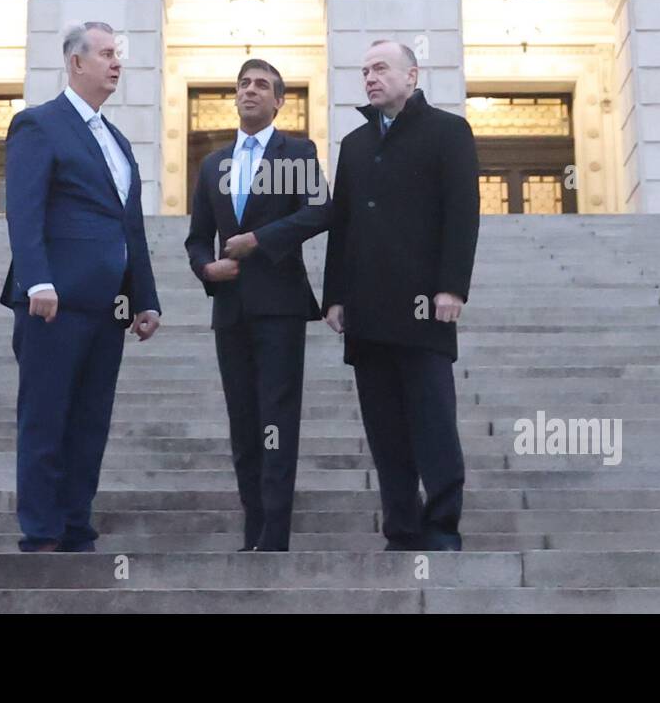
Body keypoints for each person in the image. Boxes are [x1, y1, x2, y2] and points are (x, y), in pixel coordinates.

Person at [0, 20, 161, 553]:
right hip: (53, 303)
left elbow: (128, 223)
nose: (117, 63)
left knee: (90, 423)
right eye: (108, 54)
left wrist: (145, 299)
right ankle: (41, 532)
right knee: (46, 417)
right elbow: (24, 211)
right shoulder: (38, 125)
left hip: (107, 309)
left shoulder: (116, 140)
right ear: (76, 62)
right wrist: (37, 280)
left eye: (119, 54)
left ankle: (74, 525)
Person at [322, 39, 480, 551]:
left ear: (412, 75)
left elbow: (462, 213)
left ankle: (441, 525)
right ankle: (402, 528)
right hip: (367, 313)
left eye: (381, 68)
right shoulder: (354, 144)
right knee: (386, 431)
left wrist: (451, 285)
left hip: (423, 308)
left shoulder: (448, 132)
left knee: (433, 423)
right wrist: (335, 296)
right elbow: (341, 225)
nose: (370, 77)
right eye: (364, 70)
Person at [184, 58, 331, 551]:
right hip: (231, 310)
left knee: (275, 421)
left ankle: (275, 535)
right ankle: (253, 530)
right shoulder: (212, 164)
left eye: (261, 85)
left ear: (278, 100)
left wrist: (260, 240)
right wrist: (207, 268)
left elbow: (320, 210)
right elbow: (197, 238)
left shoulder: (298, 152)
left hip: (281, 308)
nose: (250, 91)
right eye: (243, 83)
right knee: (243, 423)